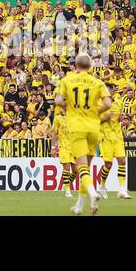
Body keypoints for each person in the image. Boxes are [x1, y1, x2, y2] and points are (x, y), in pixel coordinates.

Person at [54, 53, 109, 215]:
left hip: (77, 127)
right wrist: (93, 112)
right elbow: (107, 103)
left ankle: (93, 193)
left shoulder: (67, 80)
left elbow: (57, 101)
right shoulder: (98, 82)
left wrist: (70, 107)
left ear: (75, 66)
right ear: (90, 66)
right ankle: (79, 205)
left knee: (82, 168)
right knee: (87, 168)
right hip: (93, 128)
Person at [97, 81, 129, 200]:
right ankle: (102, 186)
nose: (109, 92)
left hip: (117, 136)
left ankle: (121, 190)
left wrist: (121, 119)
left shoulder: (119, 103)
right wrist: (105, 118)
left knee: (122, 161)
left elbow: (118, 118)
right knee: (108, 164)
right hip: (105, 137)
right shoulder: (98, 104)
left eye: (111, 89)